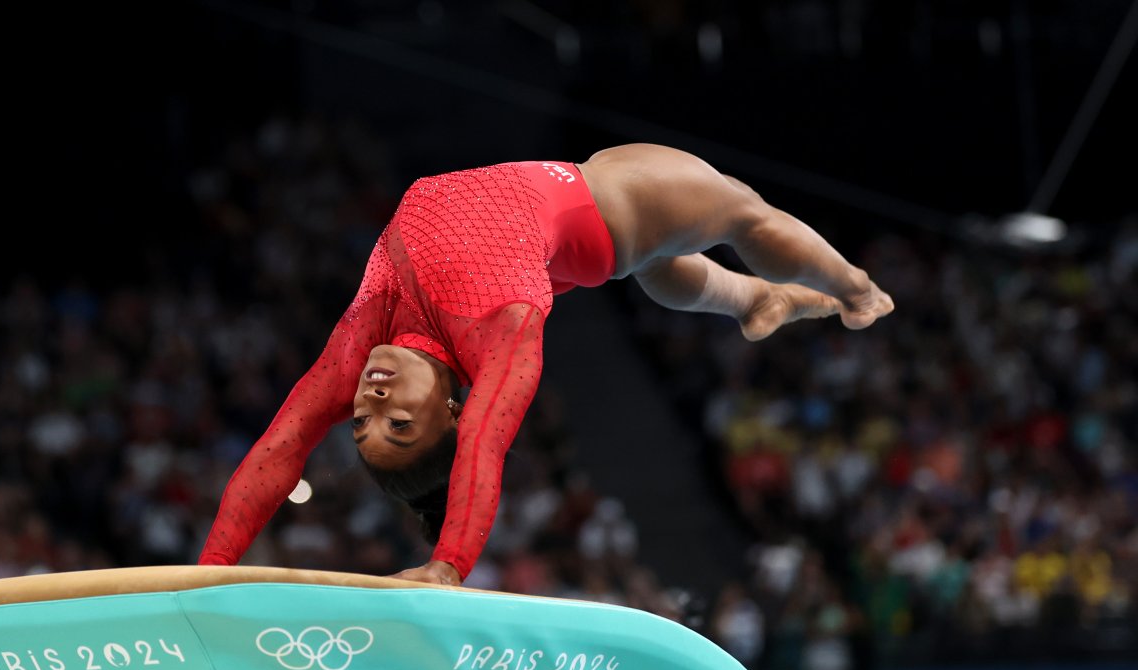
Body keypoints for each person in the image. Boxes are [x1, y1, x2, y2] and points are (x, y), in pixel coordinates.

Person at [197, 143, 894, 586]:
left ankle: (753, 302)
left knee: (660, 263)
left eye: (362, 419)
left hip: (560, 237)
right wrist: (448, 564)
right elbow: (485, 447)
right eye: (398, 420)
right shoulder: (502, 331)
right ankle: (859, 289)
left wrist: (207, 568)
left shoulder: (363, 336)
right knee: (743, 210)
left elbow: (281, 444)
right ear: (449, 409)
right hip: (601, 205)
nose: (371, 396)